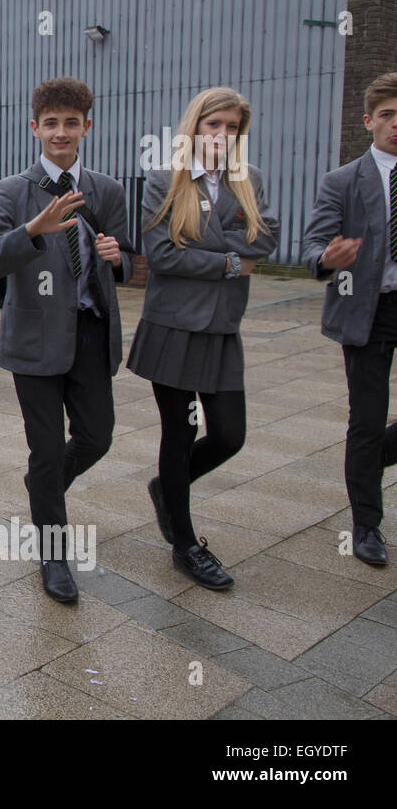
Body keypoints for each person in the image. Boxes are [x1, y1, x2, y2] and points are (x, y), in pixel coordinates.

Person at [0, 77, 133, 603]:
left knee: (97, 437)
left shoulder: (107, 189)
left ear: (86, 127)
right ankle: (55, 554)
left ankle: (40, 491)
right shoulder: (11, 191)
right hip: (35, 338)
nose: (61, 132)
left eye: (72, 123)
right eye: (51, 123)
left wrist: (121, 260)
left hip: (91, 334)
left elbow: (127, 260)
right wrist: (32, 231)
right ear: (35, 128)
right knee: (45, 451)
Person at [127, 87, 278, 590]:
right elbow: (164, 256)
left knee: (230, 435)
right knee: (180, 433)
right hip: (173, 328)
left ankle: (166, 489)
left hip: (221, 329)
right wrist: (234, 259)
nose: (222, 135)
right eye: (214, 125)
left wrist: (202, 244)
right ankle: (186, 544)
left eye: (232, 127)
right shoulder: (163, 180)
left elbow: (270, 239)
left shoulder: (247, 180)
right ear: (195, 127)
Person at [301, 72, 397, 567]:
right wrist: (328, 259)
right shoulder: (343, 181)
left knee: (371, 438)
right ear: (368, 122)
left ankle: (367, 460)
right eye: (388, 115)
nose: (396, 125)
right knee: (367, 418)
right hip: (370, 311)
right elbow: (312, 246)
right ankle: (367, 526)